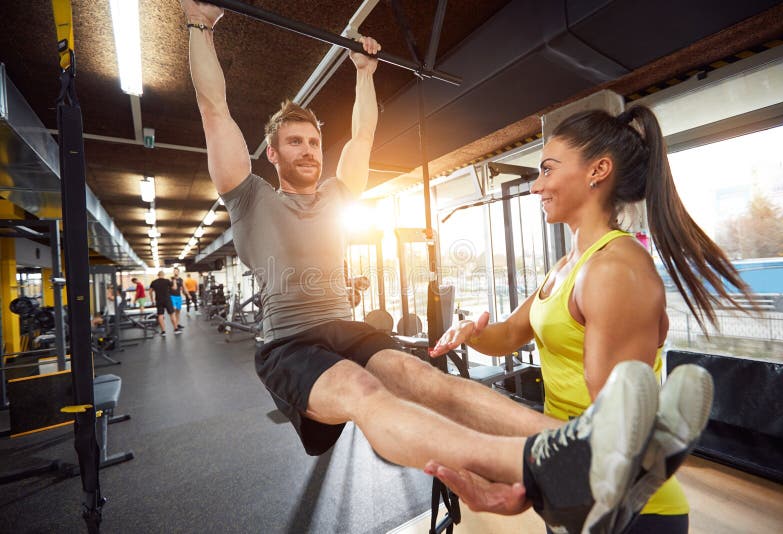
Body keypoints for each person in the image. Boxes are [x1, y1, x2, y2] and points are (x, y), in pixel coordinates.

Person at [182, 2, 709, 531]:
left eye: (315, 140)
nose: (309, 150)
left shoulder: (338, 194)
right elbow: (213, 108)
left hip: (346, 326)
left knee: (426, 380)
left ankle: (597, 448)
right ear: (271, 154)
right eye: (294, 142)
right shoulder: (247, 196)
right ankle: (541, 460)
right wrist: (198, 25)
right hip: (290, 342)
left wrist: (365, 75)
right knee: (365, 394)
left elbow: (362, 134)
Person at [427, 105, 754, 532]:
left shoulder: (614, 269)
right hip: (574, 483)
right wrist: (471, 332)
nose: (535, 187)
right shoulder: (568, 264)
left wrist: (514, 459)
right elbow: (510, 333)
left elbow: (616, 422)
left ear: (598, 170)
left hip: (627, 506)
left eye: (547, 170)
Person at [150, 270, 182, 336]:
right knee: (172, 314)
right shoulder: (167, 281)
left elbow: (150, 292)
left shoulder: (153, 282)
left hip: (159, 300)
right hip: (167, 300)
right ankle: (176, 329)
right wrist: (174, 281)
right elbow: (175, 288)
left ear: (158, 275)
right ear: (163, 275)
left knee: (160, 315)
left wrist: (152, 300)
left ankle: (163, 332)